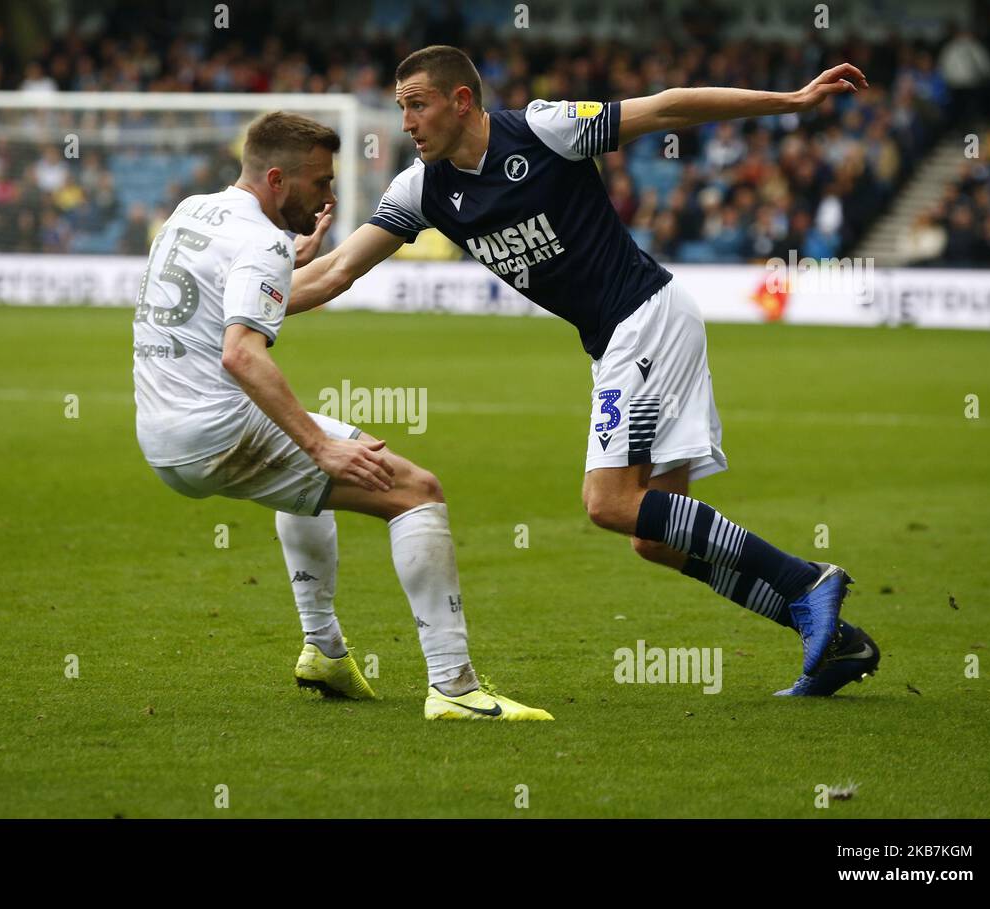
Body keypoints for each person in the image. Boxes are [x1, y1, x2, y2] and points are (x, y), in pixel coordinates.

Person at [290, 46, 882, 696]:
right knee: (655, 532)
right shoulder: (423, 188)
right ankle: (831, 641)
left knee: (609, 503)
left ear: (462, 101)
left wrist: (790, 101)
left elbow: (668, 107)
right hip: (621, 338)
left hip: (645, 317)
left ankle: (805, 581)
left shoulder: (543, 130)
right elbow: (337, 270)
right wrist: (250, 303)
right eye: (402, 107)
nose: (406, 121)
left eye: (418, 105)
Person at [134, 111, 551, 720]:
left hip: (161, 432)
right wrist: (319, 446)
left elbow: (242, 301)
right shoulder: (260, 243)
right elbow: (241, 355)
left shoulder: (193, 211)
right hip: (215, 430)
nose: (330, 195)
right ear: (278, 179)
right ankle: (455, 690)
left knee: (301, 480)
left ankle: (324, 649)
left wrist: (286, 268)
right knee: (416, 491)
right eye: (323, 182)